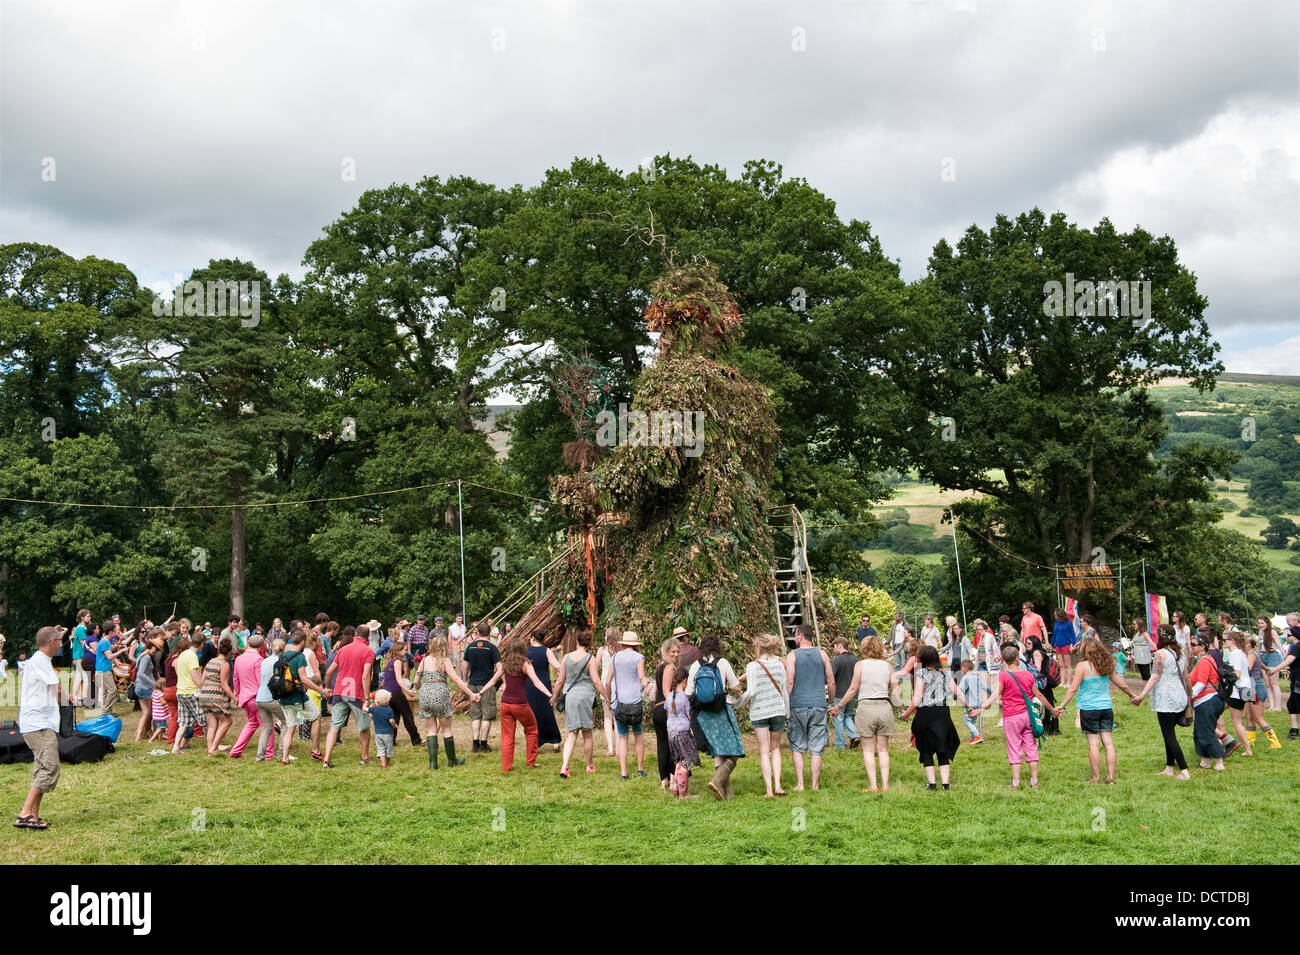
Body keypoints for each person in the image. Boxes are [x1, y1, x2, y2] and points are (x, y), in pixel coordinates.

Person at [973, 644, 1057, 789]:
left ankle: (1016, 782)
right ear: (1018, 659)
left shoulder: (1003, 676)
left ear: (1004, 661)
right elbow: (1039, 695)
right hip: (1027, 716)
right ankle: (1034, 781)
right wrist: (1052, 710)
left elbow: (995, 695)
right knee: (1031, 747)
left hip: (1011, 717)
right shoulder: (1028, 675)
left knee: (1014, 748)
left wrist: (982, 707)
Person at [1056, 636, 1137, 783]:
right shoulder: (1105, 665)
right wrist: (1133, 695)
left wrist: (1062, 705)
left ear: (1085, 650)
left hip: (1089, 709)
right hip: (1106, 707)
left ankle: (1096, 777)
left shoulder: (1082, 666)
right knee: (1109, 743)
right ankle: (1111, 777)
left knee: (1093, 744)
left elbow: (1073, 689)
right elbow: (1121, 685)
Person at [14, 626, 67, 830]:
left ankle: (33, 815)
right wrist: (74, 700)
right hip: (38, 725)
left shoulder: (39, 659)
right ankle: (25, 813)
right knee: (50, 767)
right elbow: (57, 687)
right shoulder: (40, 661)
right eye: (59, 641)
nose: (61, 644)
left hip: (38, 723)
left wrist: (56, 631)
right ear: (52, 643)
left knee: (41, 768)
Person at [833, 635, 900, 793]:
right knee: (883, 749)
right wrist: (900, 708)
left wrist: (839, 706)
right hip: (884, 706)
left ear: (864, 648)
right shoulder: (888, 667)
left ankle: (873, 786)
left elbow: (853, 689)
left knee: (868, 750)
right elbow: (896, 690)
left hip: (866, 707)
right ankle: (885, 785)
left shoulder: (860, 665)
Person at [898, 645, 967, 790]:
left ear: (923, 659)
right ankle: (946, 784)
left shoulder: (921, 673)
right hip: (942, 712)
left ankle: (932, 783)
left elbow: (917, 697)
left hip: (925, 713)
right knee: (942, 747)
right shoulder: (946, 674)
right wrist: (969, 707)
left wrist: (906, 713)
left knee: (925, 747)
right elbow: (958, 692)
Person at [686, 634, 744, 800]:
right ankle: (717, 780)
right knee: (735, 751)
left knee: (718, 750)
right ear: (717, 648)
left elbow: (689, 691)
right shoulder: (723, 662)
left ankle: (727, 793)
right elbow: (735, 686)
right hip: (721, 710)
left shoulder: (696, 665)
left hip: (703, 714)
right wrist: (738, 692)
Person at [481, 635, 552, 771]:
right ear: (522, 649)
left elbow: (492, 681)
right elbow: (536, 682)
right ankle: (531, 761)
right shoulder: (525, 663)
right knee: (532, 730)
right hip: (520, 704)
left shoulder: (505, 664)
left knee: (507, 736)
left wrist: (480, 693)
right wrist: (550, 695)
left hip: (505, 704)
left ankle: (506, 767)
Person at [1131, 625, 1191, 779]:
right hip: (1179, 696)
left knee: (1169, 734)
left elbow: (1155, 676)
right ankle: (1170, 767)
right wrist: (1189, 697)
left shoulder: (1160, 654)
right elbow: (1185, 676)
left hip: (1166, 697)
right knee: (1169, 733)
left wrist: (1142, 695)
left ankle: (1184, 770)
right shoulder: (1180, 654)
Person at [785, 623, 838, 791]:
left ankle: (800, 784)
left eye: (795, 635)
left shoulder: (792, 656)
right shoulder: (822, 654)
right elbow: (831, 681)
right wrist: (831, 702)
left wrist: (786, 702)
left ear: (800, 636)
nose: (794, 638)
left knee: (797, 745)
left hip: (798, 704)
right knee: (816, 747)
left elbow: (790, 681)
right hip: (818, 704)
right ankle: (814, 785)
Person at [739, 633, 790, 797]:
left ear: (758, 647)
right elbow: (784, 691)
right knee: (775, 749)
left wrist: (737, 702)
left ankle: (769, 790)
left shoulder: (753, 666)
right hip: (778, 710)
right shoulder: (780, 665)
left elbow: (751, 691)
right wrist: (786, 711)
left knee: (764, 751)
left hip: (760, 711)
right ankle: (778, 785)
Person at [415, 634, 477, 768]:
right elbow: (456, 679)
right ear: (444, 647)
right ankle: (452, 760)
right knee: (446, 728)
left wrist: (420, 686)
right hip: (440, 693)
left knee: (431, 730)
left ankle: (433, 763)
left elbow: (416, 680)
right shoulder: (445, 661)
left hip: (425, 693)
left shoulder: (425, 660)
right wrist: (471, 694)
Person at [322, 625, 376, 768]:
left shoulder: (343, 649)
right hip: (356, 694)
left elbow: (328, 672)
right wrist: (367, 698)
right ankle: (364, 757)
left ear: (356, 634)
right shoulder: (368, 651)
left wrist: (327, 688)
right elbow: (366, 676)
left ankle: (326, 758)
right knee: (364, 727)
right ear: (368, 636)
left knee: (334, 726)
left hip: (340, 691)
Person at [555, 630, 604, 778]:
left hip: (570, 696)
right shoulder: (590, 658)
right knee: (587, 733)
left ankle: (564, 767)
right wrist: (606, 696)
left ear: (577, 642)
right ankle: (589, 765)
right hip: (586, 697)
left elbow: (560, 681)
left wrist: (554, 696)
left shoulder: (566, 658)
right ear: (589, 644)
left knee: (572, 733)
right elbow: (596, 680)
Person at [605, 631, 653, 779]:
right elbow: (641, 677)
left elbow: (607, 681)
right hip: (635, 703)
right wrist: (649, 686)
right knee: (638, 734)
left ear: (623, 643)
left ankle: (624, 773)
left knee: (622, 737)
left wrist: (609, 699)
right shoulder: (639, 658)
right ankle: (640, 769)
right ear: (635, 645)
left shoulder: (615, 658)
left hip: (619, 702)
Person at [278, 630, 325, 766]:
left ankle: (285, 758)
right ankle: (315, 751)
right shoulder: (299, 657)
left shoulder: (282, 656)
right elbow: (304, 679)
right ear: (303, 642)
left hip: (284, 698)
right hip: (298, 697)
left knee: (290, 727)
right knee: (316, 717)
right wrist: (321, 691)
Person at [1187, 634, 1226, 771]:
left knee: (1207, 732)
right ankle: (1205, 762)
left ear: (1202, 647)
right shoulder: (1203, 660)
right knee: (1199, 732)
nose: (1191, 647)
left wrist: (1188, 696)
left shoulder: (1204, 661)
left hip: (1207, 701)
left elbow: (1201, 683)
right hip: (1204, 701)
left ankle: (1219, 762)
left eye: (1193, 644)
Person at [461, 622, 502, 752]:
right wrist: (503, 682)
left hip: (472, 684)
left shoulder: (470, 647)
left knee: (475, 714)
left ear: (477, 632)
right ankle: (483, 744)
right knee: (487, 715)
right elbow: (500, 668)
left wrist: (465, 680)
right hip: (487, 685)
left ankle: (475, 743)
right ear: (489, 633)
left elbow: (464, 666)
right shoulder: (492, 647)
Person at [229, 632, 268, 758]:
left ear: (248, 644)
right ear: (261, 647)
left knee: (252, 723)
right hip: (256, 696)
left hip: (245, 697)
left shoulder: (239, 659)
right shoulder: (258, 659)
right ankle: (268, 753)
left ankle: (236, 750)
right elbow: (260, 680)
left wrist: (238, 694)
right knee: (267, 725)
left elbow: (236, 678)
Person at [197, 637, 238, 755]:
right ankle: (213, 747)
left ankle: (211, 750)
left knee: (212, 724)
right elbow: (224, 684)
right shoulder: (224, 664)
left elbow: (202, 680)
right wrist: (234, 697)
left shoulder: (211, 661)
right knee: (227, 721)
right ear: (229, 652)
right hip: (216, 696)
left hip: (204, 695)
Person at [378, 641, 422, 747]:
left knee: (395, 717)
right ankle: (416, 740)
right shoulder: (397, 661)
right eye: (404, 649)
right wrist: (408, 691)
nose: (405, 651)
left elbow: (385, 678)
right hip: (396, 693)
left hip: (387, 693)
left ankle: (391, 741)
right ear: (398, 651)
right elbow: (398, 678)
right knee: (408, 716)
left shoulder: (389, 661)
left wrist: (380, 689)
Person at [651, 638, 682, 787]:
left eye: (677, 651)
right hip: (666, 708)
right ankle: (673, 779)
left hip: (657, 708)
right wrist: (672, 710)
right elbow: (665, 690)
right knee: (673, 745)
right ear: (666, 652)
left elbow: (655, 690)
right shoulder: (669, 667)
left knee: (662, 745)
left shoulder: (659, 667)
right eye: (673, 651)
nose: (676, 654)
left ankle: (664, 781)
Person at [526, 630, 563, 752]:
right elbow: (557, 666)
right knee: (547, 712)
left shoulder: (526, 651)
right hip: (544, 683)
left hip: (530, 684)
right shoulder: (547, 650)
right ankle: (555, 741)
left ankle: (535, 741)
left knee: (532, 712)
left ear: (532, 638)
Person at [665, 668, 699, 798]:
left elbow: (668, 713)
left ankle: (676, 789)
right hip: (683, 731)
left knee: (677, 760)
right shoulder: (684, 697)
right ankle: (684, 793)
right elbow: (689, 714)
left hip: (671, 731)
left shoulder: (669, 696)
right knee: (685, 761)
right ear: (685, 680)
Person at [1243, 635, 1282, 749]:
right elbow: (1264, 667)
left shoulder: (1251, 655)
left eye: (1243, 643)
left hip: (1255, 688)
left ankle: (1274, 742)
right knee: (1249, 716)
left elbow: (1248, 669)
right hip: (1250, 688)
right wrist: (1269, 671)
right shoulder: (1255, 655)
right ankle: (1250, 741)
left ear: (1249, 644)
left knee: (1258, 718)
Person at [1265, 622, 1300, 740]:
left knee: (1294, 704)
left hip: (1298, 681)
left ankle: (1294, 731)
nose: (1287, 637)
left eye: (1288, 635)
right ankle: (1294, 730)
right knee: (1292, 704)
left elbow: (1288, 661)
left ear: (1294, 636)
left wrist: (1274, 669)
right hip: (1296, 679)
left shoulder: (1297, 647)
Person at [254, 637, 286, 762]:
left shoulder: (264, 661)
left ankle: (260, 756)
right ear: (283, 649)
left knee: (267, 727)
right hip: (271, 698)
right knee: (286, 723)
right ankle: (282, 752)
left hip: (260, 698)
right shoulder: (280, 662)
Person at [131, 628, 166, 743]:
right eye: (156, 650)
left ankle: (141, 735)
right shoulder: (146, 657)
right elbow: (141, 674)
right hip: (144, 687)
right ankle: (146, 735)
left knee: (146, 712)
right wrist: (154, 684)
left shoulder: (141, 655)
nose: (156, 652)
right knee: (153, 710)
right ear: (152, 646)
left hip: (139, 687)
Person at [171, 634, 204, 755]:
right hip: (191, 692)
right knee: (209, 718)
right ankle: (214, 745)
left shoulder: (183, 654)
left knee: (184, 723)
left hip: (181, 692)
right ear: (202, 644)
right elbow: (194, 675)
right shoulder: (192, 656)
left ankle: (175, 748)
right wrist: (203, 688)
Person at [93, 618, 130, 712]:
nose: (115, 633)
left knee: (105, 692)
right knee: (113, 690)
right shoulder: (104, 642)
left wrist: (118, 664)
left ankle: (106, 712)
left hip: (103, 669)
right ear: (110, 632)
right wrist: (122, 650)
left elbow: (111, 657)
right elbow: (109, 656)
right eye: (114, 631)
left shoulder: (106, 641)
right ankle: (106, 711)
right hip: (103, 670)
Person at [830, 636, 860, 750]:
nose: (833, 649)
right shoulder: (856, 660)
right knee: (847, 715)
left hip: (840, 694)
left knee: (838, 717)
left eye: (834, 647)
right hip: (853, 694)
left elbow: (831, 677)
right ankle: (854, 735)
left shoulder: (837, 660)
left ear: (839, 646)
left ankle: (839, 744)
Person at [597, 627, 621, 757]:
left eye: (606, 635)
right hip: (618, 686)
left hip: (605, 686)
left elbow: (595, 667)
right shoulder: (621, 651)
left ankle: (610, 748)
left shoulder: (602, 651)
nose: (604, 637)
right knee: (617, 718)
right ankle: (617, 747)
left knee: (607, 717)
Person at [1257, 617, 1285, 712]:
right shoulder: (1260, 632)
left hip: (1272, 656)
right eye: (1259, 623)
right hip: (1263, 656)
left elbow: (1279, 644)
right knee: (1268, 684)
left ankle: (1278, 706)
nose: (1260, 625)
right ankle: (1272, 706)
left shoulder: (1272, 632)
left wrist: (1285, 656)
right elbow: (1258, 646)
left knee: (1274, 683)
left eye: (1262, 623)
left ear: (1267, 623)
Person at [367, 689, 399, 768]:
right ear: (388, 699)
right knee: (388, 748)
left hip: (378, 733)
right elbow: (391, 721)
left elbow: (367, 711)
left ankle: (383, 763)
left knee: (380, 748)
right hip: (388, 733)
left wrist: (370, 703)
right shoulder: (389, 710)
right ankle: (387, 762)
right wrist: (395, 726)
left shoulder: (374, 709)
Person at [956, 660, 985, 743]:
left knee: (967, 721)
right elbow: (986, 687)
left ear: (965, 668)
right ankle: (973, 739)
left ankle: (978, 736)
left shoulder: (965, 678)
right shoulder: (977, 677)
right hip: (978, 704)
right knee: (973, 721)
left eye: (961, 668)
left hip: (969, 704)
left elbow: (960, 690)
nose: (961, 670)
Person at [71, 609, 93, 706]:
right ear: (82, 618)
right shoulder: (81, 629)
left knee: (79, 678)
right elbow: (84, 644)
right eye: (88, 616)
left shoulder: (81, 628)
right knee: (86, 678)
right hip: (81, 656)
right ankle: (85, 700)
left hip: (78, 656)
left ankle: (74, 699)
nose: (90, 618)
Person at [1050, 608, 1076, 686]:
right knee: (1061, 665)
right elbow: (1054, 634)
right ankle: (1063, 682)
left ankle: (1069, 682)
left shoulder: (1068, 623)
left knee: (1068, 665)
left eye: (1055, 614)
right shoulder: (1056, 623)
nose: (1054, 616)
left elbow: (1073, 635)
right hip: (1058, 646)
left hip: (1066, 645)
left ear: (1059, 614)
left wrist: (1073, 645)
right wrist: (1051, 644)